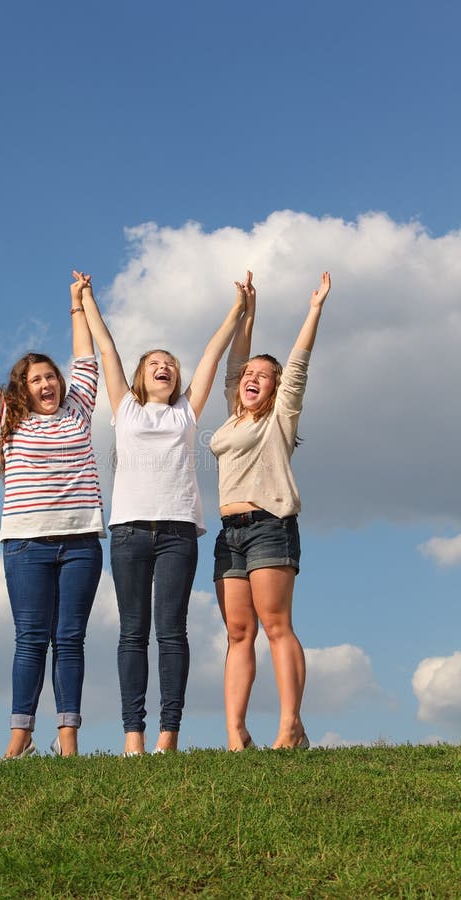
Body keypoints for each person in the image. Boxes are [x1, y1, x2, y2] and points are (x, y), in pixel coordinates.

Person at [74, 270, 246, 755]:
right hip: (129, 532)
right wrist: (86, 299)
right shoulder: (125, 408)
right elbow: (106, 349)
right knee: (132, 633)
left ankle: (169, 733)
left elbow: (212, 354)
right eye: (155, 363)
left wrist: (236, 311)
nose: (164, 367)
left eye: (170, 363)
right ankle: (135, 736)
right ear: (140, 375)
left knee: (171, 631)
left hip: (177, 533)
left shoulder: (187, 412)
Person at [0, 275, 104, 758]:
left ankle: (67, 736)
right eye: (36, 380)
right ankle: (21, 735)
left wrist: (76, 305)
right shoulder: (7, 418)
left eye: (51, 376)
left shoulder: (80, 408)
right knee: (31, 637)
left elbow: (87, 358)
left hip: (80, 542)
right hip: (26, 544)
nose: (47, 384)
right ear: (22, 389)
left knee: (70, 638)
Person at [210, 270, 332, 750]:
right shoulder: (231, 415)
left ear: (276, 388)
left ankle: (290, 727)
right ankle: (236, 734)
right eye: (249, 376)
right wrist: (247, 311)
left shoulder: (279, 418)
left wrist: (315, 309)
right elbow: (235, 361)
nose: (251, 379)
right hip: (228, 533)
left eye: (264, 376)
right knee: (239, 633)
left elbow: (298, 363)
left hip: (269, 526)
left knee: (276, 625)